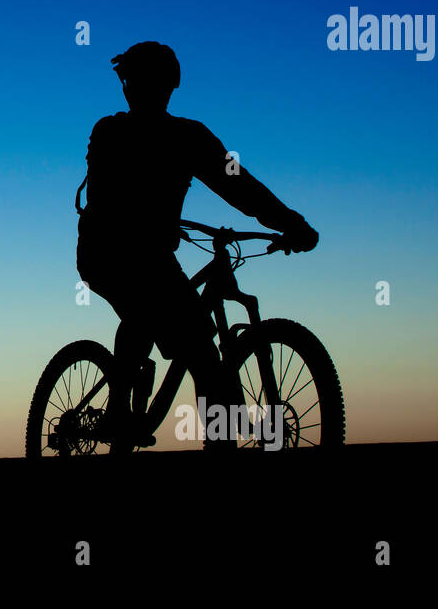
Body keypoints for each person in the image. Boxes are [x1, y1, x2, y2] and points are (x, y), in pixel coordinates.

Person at [75, 41, 318, 451]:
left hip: (143, 255)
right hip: (110, 252)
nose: (141, 89)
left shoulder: (181, 137)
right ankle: (122, 411)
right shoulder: (118, 133)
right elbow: (110, 201)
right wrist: (292, 226)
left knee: (185, 337)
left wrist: (290, 224)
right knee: (189, 342)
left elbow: (241, 186)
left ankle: (205, 435)